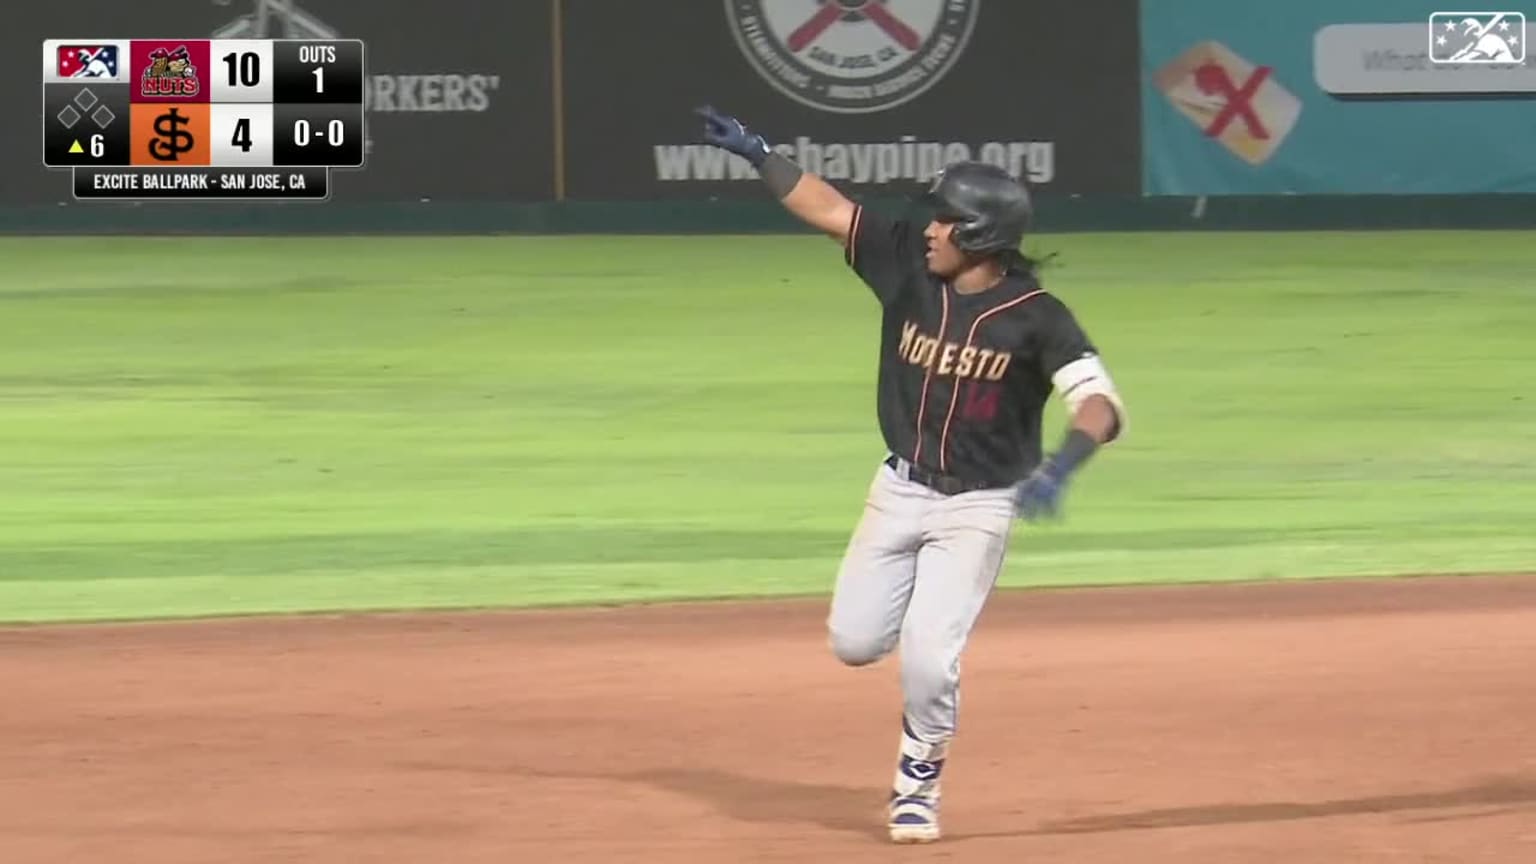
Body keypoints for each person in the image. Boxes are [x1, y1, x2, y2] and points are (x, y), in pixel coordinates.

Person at [695, 106, 1128, 844]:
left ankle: (917, 780)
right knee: (855, 643)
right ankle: (916, 640)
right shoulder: (907, 266)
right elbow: (830, 210)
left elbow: (1100, 403)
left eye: (944, 219)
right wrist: (762, 155)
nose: (927, 228)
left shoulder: (1038, 317)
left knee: (930, 658)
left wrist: (1063, 466)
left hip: (979, 508)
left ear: (980, 235)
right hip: (897, 490)